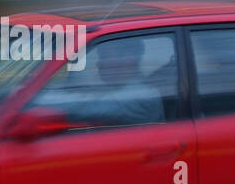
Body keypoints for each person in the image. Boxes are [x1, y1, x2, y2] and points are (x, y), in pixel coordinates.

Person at [31, 37, 165, 128]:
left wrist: (30, 99)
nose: (98, 63)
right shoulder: (116, 88)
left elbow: (86, 106)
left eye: (104, 56)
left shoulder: (142, 96)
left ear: (129, 58)